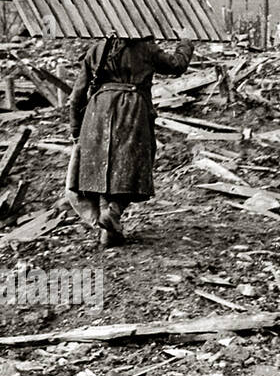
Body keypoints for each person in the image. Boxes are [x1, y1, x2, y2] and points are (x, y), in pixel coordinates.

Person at [68, 30, 196, 248]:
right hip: (132, 109)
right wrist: (185, 42)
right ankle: (113, 212)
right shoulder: (146, 48)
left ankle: (109, 232)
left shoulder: (97, 49)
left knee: (102, 170)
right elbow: (177, 66)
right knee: (131, 167)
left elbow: (77, 94)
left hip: (98, 111)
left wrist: (75, 127)